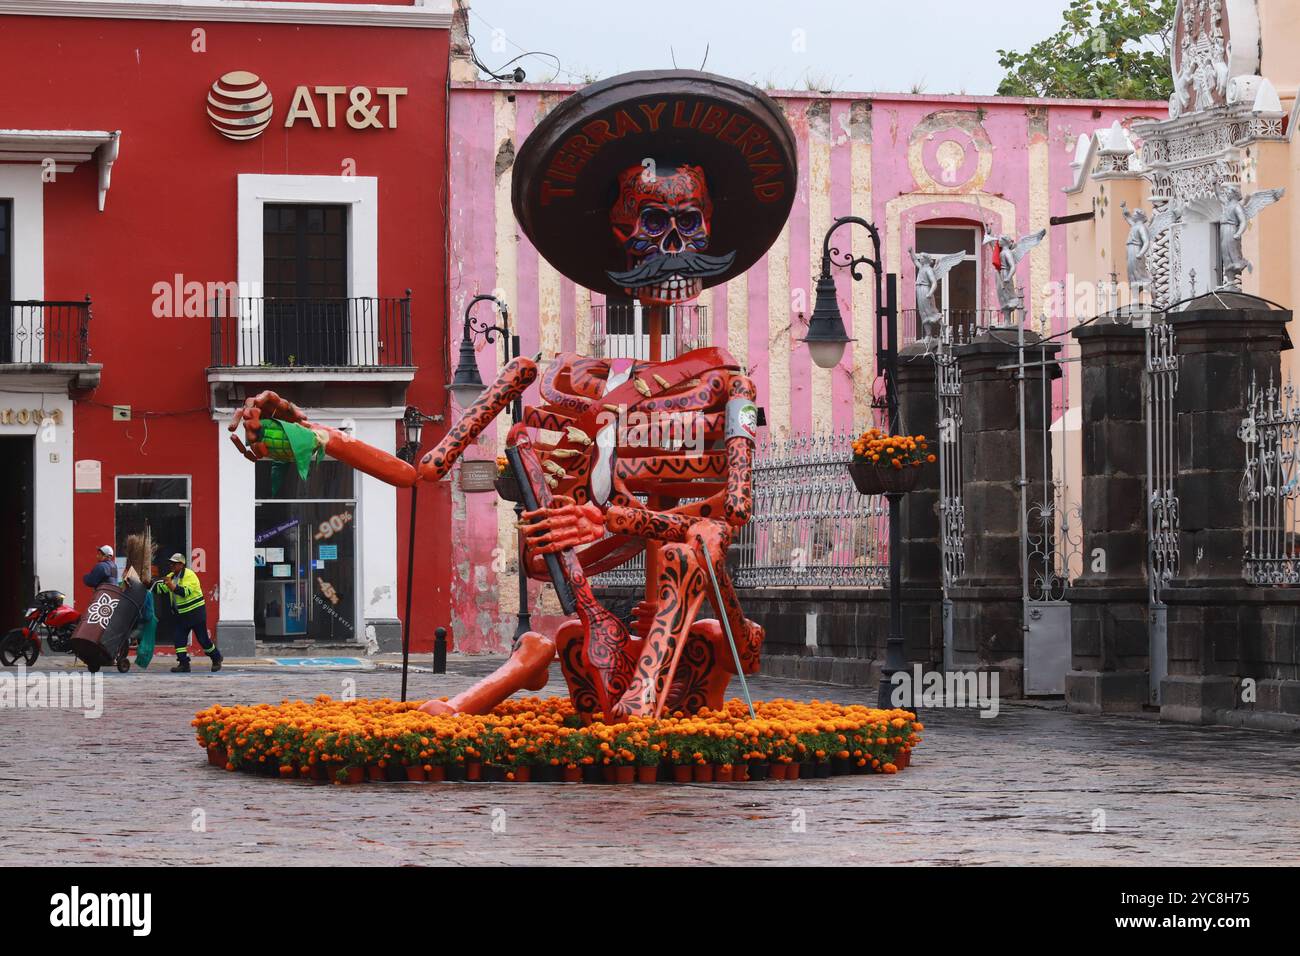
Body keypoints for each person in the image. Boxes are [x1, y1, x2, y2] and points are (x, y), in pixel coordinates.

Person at [162, 553, 222, 673]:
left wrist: (171, 585)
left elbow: (185, 592)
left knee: (203, 640)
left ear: (181, 564)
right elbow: (161, 588)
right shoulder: (171, 576)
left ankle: (216, 658)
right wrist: (148, 583)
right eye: (171, 563)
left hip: (196, 614)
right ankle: (184, 664)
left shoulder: (190, 575)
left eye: (174, 563)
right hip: (182, 615)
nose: (171, 565)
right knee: (179, 639)